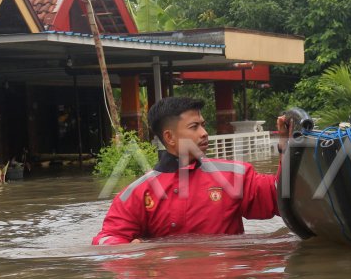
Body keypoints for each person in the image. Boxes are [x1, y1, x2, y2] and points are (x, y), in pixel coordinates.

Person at [92, 96, 289, 245]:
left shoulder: (235, 176)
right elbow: (107, 239)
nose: (204, 133)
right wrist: (128, 250)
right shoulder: (136, 193)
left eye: (203, 125)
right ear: (169, 137)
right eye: (194, 127)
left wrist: (287, 148)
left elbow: (283, 197)